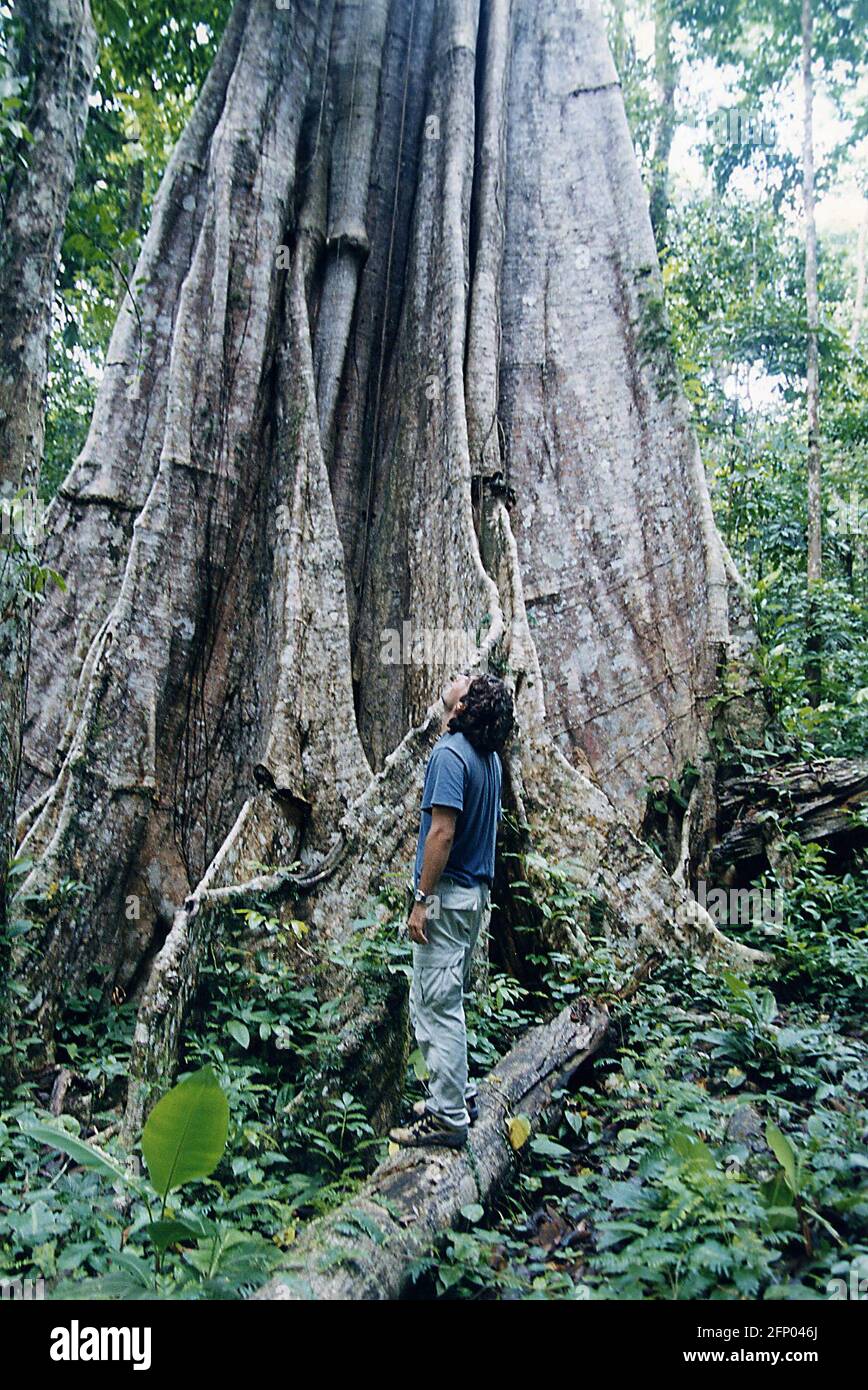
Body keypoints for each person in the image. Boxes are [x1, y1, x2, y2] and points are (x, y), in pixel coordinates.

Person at [389, 670, 515, 1149]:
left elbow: (441, 833)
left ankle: (447, 1118)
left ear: (462, 708)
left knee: (435, 1006)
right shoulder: (489, 759)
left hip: (446, 896)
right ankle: (458, 1094)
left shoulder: (448, 754)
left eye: (466, 683)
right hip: (473, 896)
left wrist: (421, 900)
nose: (457, 677)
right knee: (448, 999)